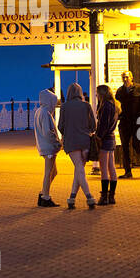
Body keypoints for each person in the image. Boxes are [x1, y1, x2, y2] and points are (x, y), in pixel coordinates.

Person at [57, 82, 97, 210]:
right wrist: (87, 131)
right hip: (85, 141)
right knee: (79, 170)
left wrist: (67, 133)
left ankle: (89, 197)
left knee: (79, 169)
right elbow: (93, 125)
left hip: (71, 142)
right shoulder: (86, 106)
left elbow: (60, 126)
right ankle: (72, 198)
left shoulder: (64, 107)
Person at [116, 72, 140, 178]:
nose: (125, 79)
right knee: (125, 147)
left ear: (132, 77)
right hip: (125, 122)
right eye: (123, 77)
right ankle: (128, 171)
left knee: (137, 144)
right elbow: (117, 105)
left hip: (137, 122)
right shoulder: (120, 91)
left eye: (127, 77)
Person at [33, 89, 62, 207]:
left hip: (45, 146)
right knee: (49, 172)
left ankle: (43, 193)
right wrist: (57, 142)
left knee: (54, 172)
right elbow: (47, 132)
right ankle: (45, 197)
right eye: (53, 102)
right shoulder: (45, 113)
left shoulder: (39, 111)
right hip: (49, 147)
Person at [94, 84, 120, 205]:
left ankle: (104, 197)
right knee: (112, 167)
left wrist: (98, 136)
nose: (96, 95)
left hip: (104, 139)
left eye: (97, 93)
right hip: (112, 138)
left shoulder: (106, 106)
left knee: (104, 169)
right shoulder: (115, 105)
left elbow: (103, 124)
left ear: (102, 94)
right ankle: (112, 196)